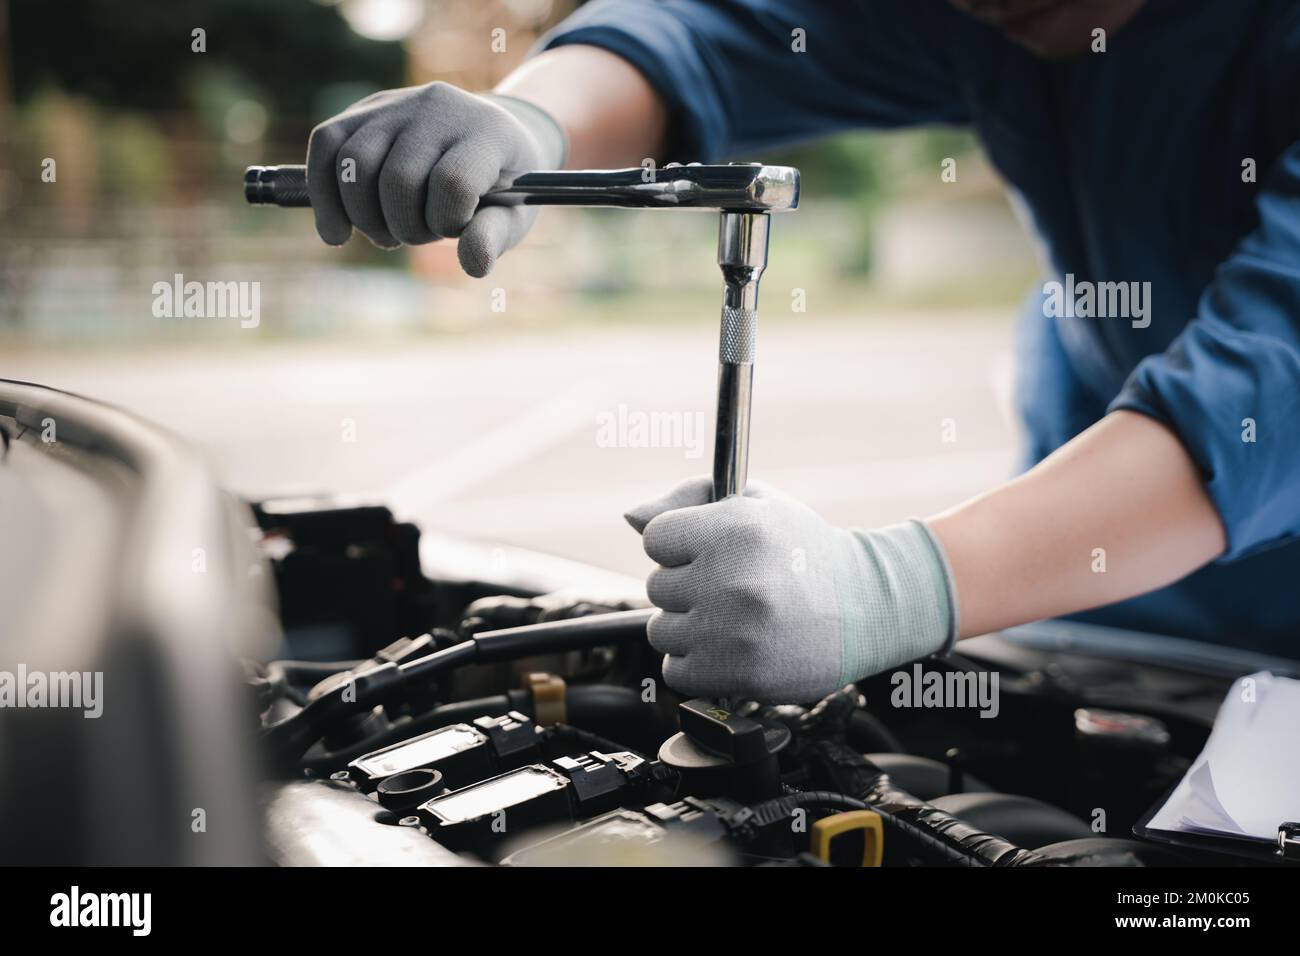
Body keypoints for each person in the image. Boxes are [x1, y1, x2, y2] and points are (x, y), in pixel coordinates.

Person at [304, 0, 1300, 701]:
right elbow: (719, 28)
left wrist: (884, 590)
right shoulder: (990, 10)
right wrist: (534, 118)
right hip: (1079, 607)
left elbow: (1270, 388)